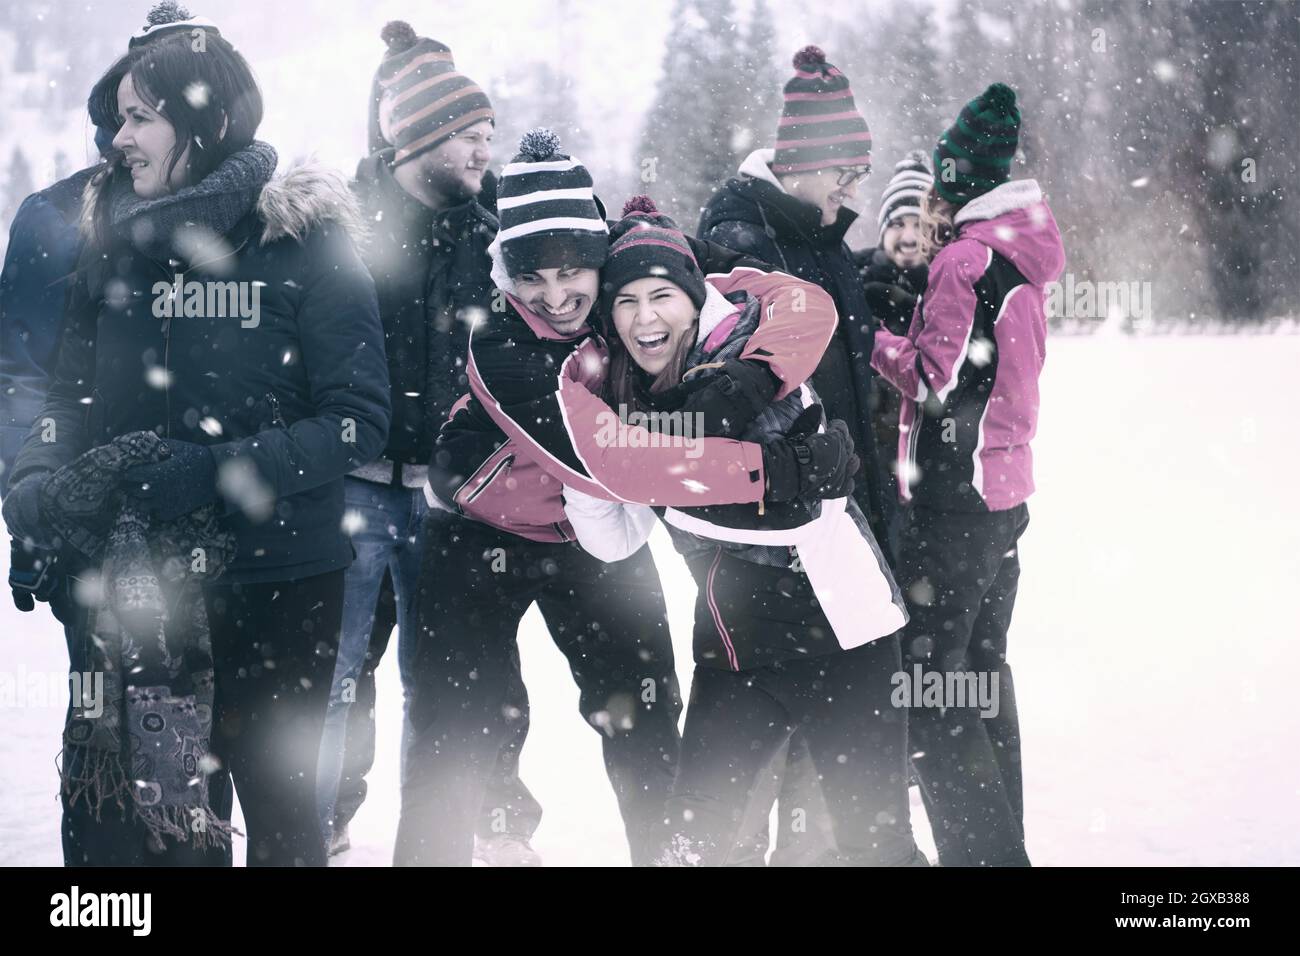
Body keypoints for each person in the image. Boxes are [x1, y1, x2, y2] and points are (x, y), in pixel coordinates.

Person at [395, 129, 855, 866]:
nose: (557, 296)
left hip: (594, 543)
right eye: (531, 279)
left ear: (599, 255)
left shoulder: (633, 284)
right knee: (453, 730)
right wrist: (779, 470)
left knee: (644, 717)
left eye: (573, 271)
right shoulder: (502, 349)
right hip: (480, 535)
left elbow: (796, 300)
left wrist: (752, 378)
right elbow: (616, 465)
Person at [2, 27, 390, 866]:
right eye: (116, 118)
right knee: (121, 829)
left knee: (280, 826)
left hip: (276, 585)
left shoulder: (304, 241)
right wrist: (35, 474)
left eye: (139, 117)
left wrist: (212, 472)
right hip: (125, 584)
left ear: (203, 123)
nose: (117, 139)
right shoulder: (108, 240)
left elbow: (357, 421)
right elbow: (61, 391)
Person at [562, 196, 923, 866]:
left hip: (844, 636)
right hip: (734, 649)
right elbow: (615, 539)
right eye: (627, 302)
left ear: (695, 301)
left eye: (663, 295)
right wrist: (585, 468)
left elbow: (791, 510)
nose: (647, 317)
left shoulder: (752, 361)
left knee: (874, 845)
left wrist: (640, 468)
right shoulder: (630, 401)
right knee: (693, 848)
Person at [315, 19, 541, 866]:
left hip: (456, 493)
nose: (489, 150)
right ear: (421, 132)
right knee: (337, 670)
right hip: (356, 487)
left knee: (454, 678)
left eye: (489, 134)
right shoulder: (341, 224)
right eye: (474, 136)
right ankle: (318, 819)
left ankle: (468, 823)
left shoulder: (490, 237)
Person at [695, 42, 883, 865]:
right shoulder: (745, 241)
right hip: (767, 540)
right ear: (802, 165)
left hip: (838, 519)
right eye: (845, 170)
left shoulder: (827, 241)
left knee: (830, 777)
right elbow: (737, 393)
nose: (854, 188)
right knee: (744, 768)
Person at [871, 83, 1064, 867]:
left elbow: (930, 376)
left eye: (941, 193)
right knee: (982, 674)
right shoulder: (1024, 252)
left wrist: (867, 335)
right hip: (1005, 498)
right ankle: (1004, 842)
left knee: (933, 692)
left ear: (959, 189)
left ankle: (986, 858)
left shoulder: (963, 261)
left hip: (955, 502)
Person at [855, 150, 935, 556]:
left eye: (920, 224)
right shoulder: (852, 282)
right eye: (899, 222)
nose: (908, 236)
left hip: (926, 461)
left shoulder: (948, 291)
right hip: (863, 459)